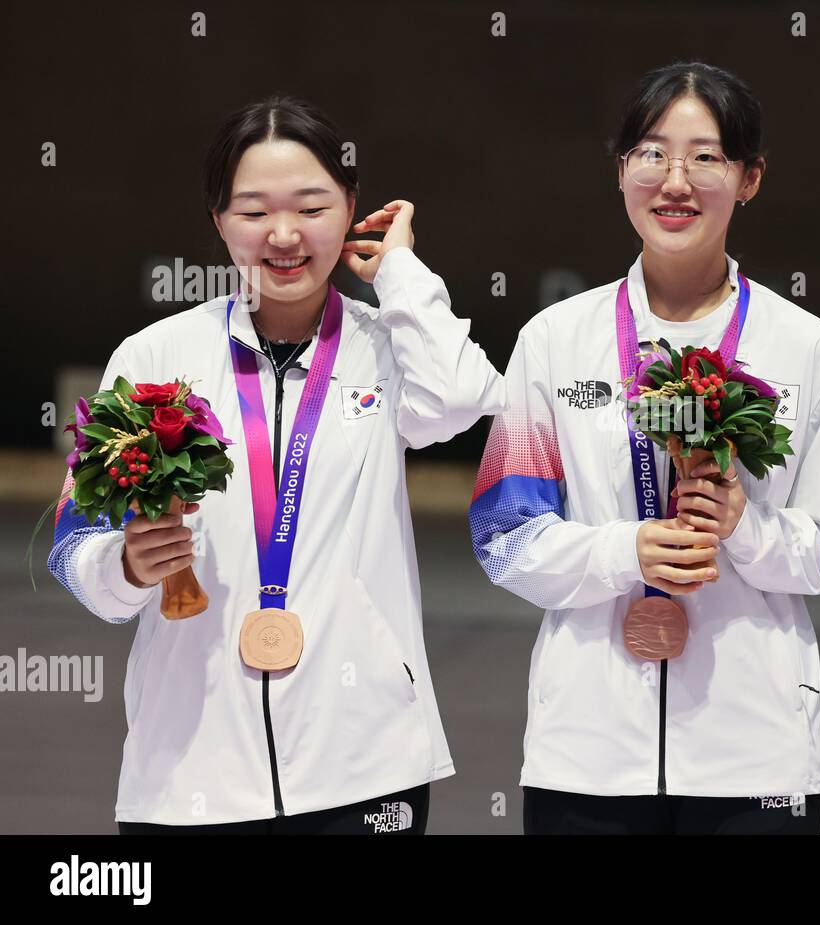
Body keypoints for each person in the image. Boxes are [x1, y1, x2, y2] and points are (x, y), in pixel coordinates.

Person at [48, 95, 506, 833]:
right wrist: (126, 567)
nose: (285, 235)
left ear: (352, 207)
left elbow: (464, 397)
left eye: (312, 206)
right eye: (254, 211)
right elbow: (76, 547)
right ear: (218, 220)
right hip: (188, 771)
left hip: (364, 763)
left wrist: (400, 274)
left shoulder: (387, 345)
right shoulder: (155, 356)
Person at [469, 62, 820, 834]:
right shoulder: (554, 340)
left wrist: (743, 523)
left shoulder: (810, 350)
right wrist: (628, 551)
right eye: (651, 153)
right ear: (621, 172)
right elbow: (502, 538)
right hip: (586, 755)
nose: (675, 180)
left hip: (755, 756)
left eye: (707, 157)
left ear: (750, 179)